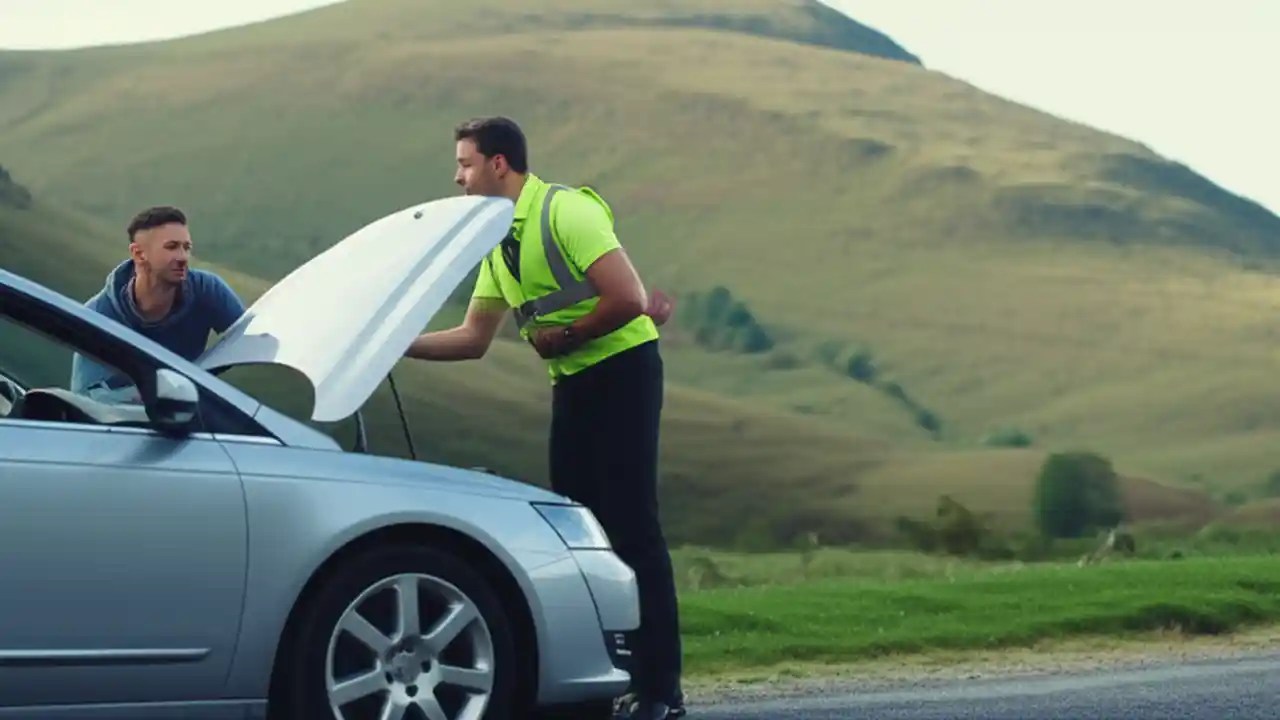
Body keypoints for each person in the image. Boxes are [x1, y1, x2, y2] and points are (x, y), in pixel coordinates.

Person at [404, 116, 685, 719]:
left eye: (465, 164)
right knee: (579, 529)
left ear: (499, 164)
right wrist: (395, 344)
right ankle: (597, 686)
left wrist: (569, 334)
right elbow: (474, 337)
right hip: (574, 384)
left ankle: (660, 688)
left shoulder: (566, 212)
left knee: (633, 527)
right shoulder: (498, 242)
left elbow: (629, 299)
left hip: (625, 373)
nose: (457, 178)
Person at [70, 205, 246, 400]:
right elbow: (85, 399)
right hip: (125, 424)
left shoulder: (207, 290)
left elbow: (248, 340)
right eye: (171, 247)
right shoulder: (97, 316)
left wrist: (199, 374)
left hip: (190, 414)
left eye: (186, 247)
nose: (183, 258)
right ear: (138, 254)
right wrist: (160, 390)